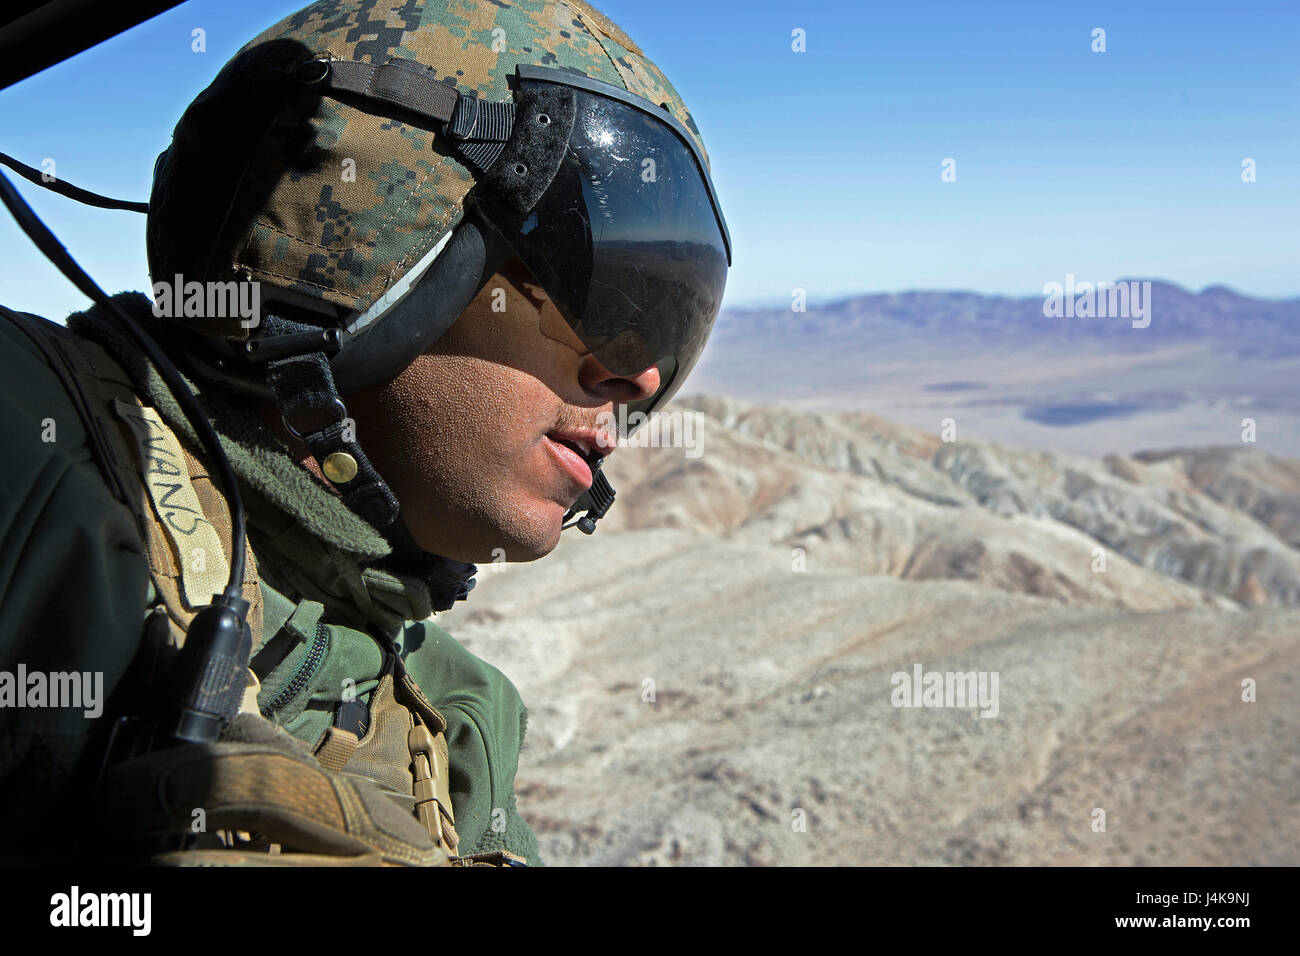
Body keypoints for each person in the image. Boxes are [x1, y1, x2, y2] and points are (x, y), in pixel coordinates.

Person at [0, 0, 730, 866]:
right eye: (600, 302)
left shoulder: (458, 720)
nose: (640, 378)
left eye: (669, 336)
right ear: (369, 253)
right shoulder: (36, 451)